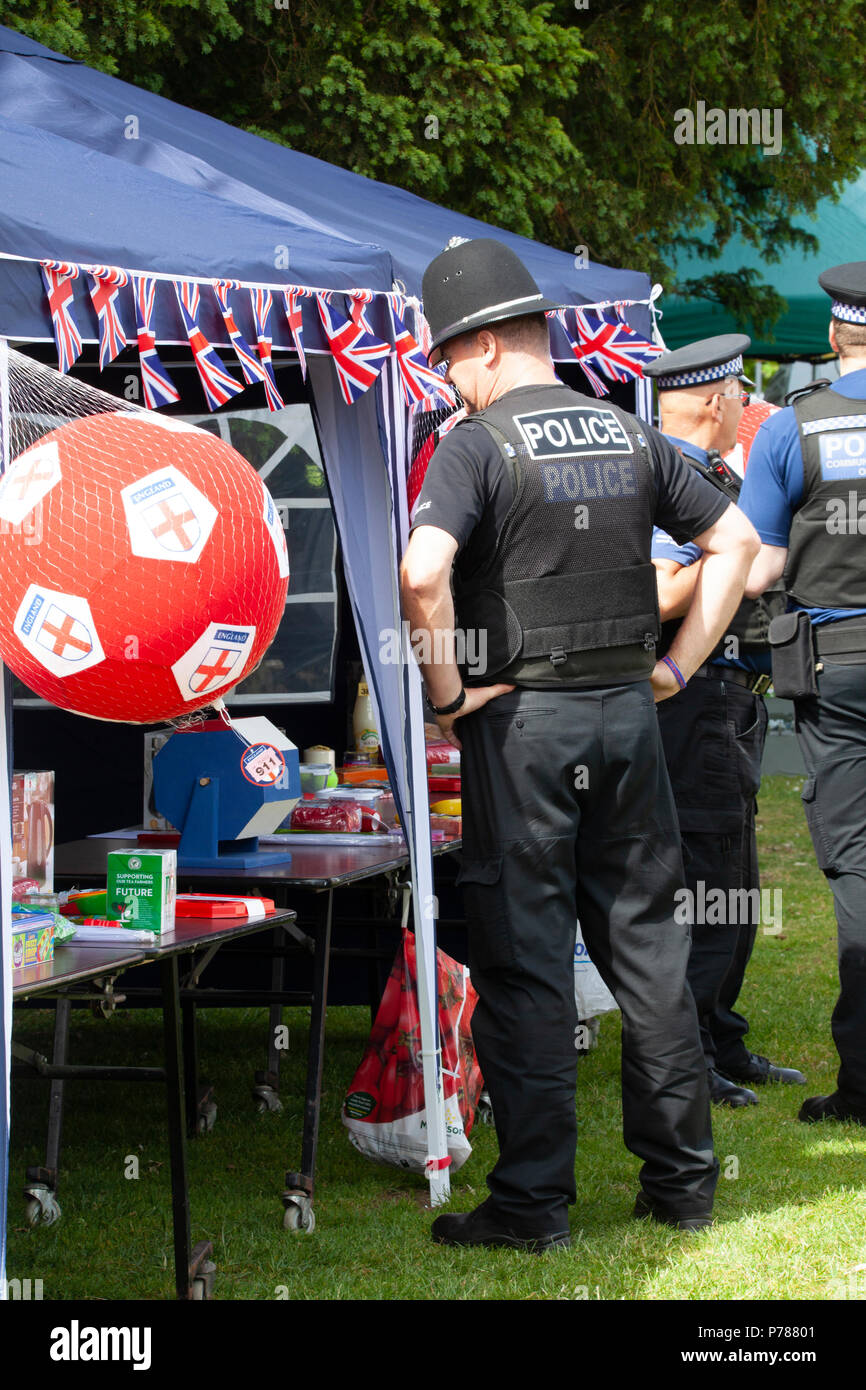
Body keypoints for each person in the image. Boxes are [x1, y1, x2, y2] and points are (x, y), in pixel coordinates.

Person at [400, 237, 760, 1250]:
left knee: (524, 967)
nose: (448, 383)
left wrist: (446, 692)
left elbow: (420, 574)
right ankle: (682, 1185)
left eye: (444, 364)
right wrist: (676, 668)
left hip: (522, 728)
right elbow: (731, 545)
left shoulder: (474, 445)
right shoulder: (628, 433)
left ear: (475, 349)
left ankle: (530, 1205)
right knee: (648, 953)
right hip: (626, 722)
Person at [643, 337, 805, 1108]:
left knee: (736, 879)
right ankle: (693, 1058)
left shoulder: (707, 475)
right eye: (739, 391)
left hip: (730, 701)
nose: (745, 401)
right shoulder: (669, 478)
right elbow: (662, 589)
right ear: (713, 402)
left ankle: (723, 1036)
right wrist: (735, 553)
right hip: (695, 701)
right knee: (706, 881)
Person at [740, 260, 866, 1127]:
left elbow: (759, 559)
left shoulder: (794, 428)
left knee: (857, 863)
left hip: (838, 666)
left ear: (833, 334)